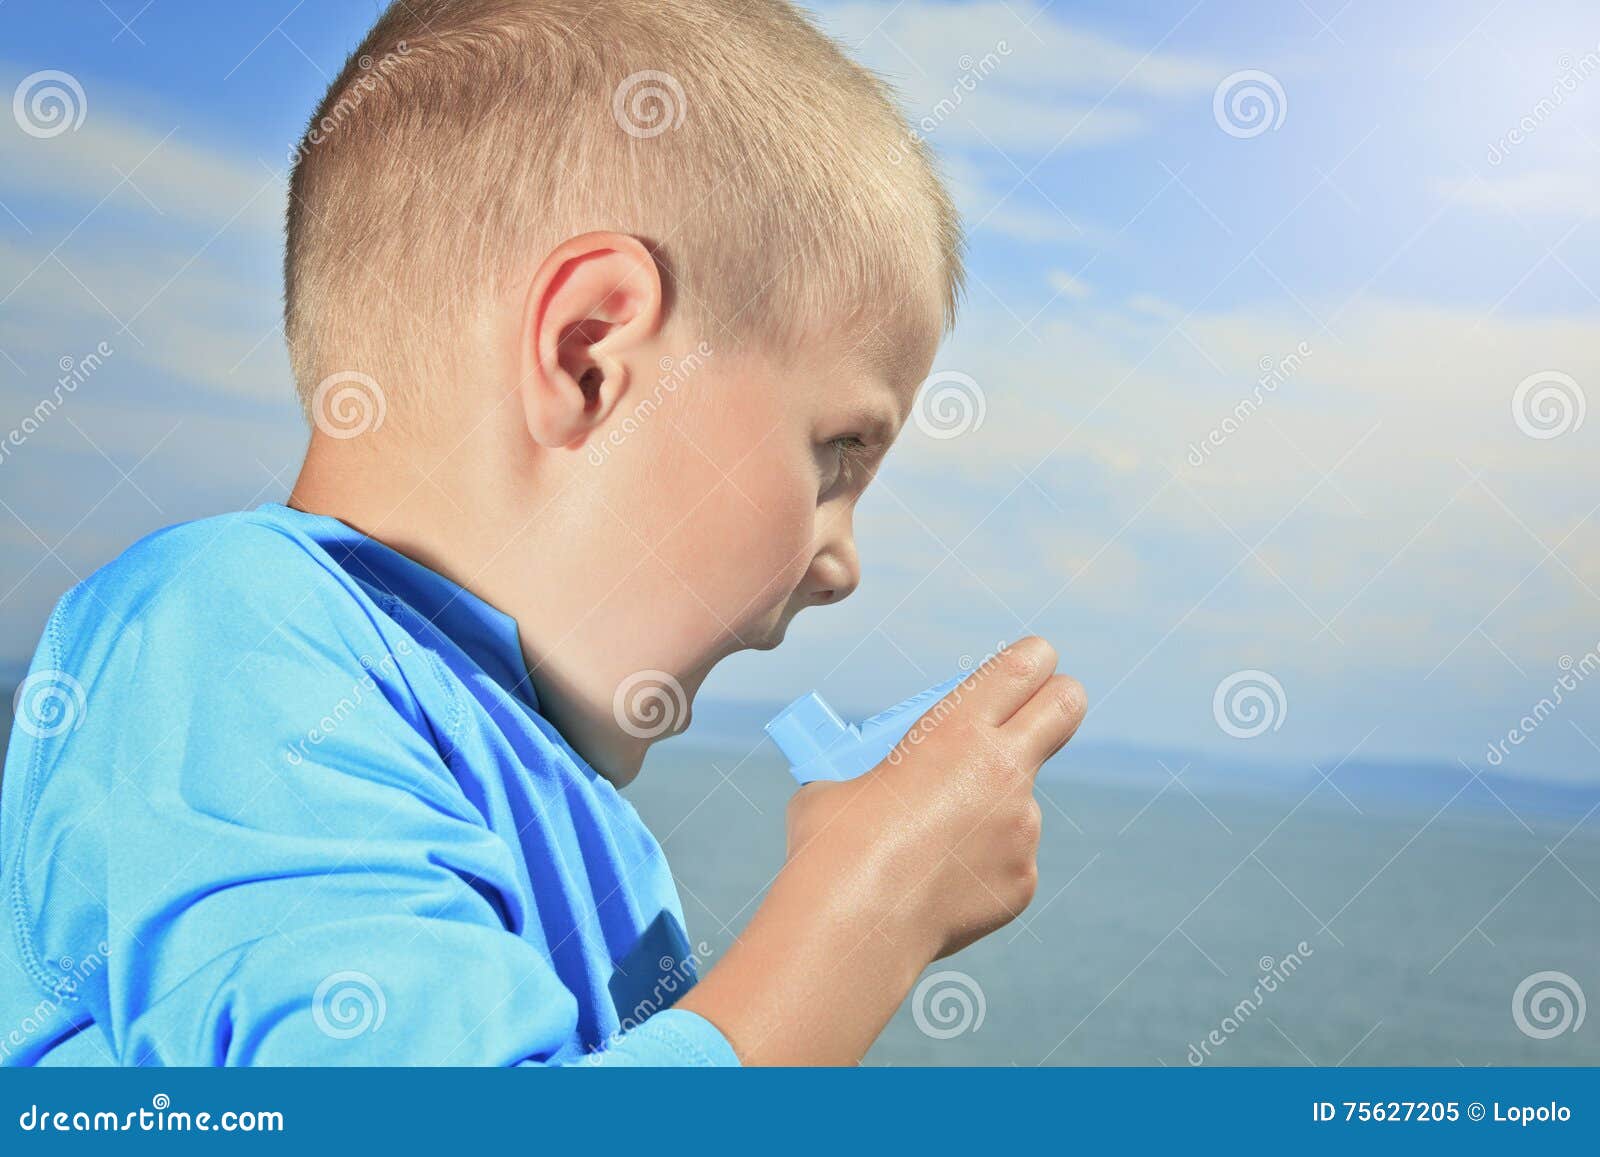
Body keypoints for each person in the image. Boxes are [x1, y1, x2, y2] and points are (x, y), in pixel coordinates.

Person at [0, 0, 1085, 1066]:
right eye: (837, 453)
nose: (842, 561)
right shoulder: (226, 629)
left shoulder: (560, 820)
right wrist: (864, 917)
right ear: (589, 359)